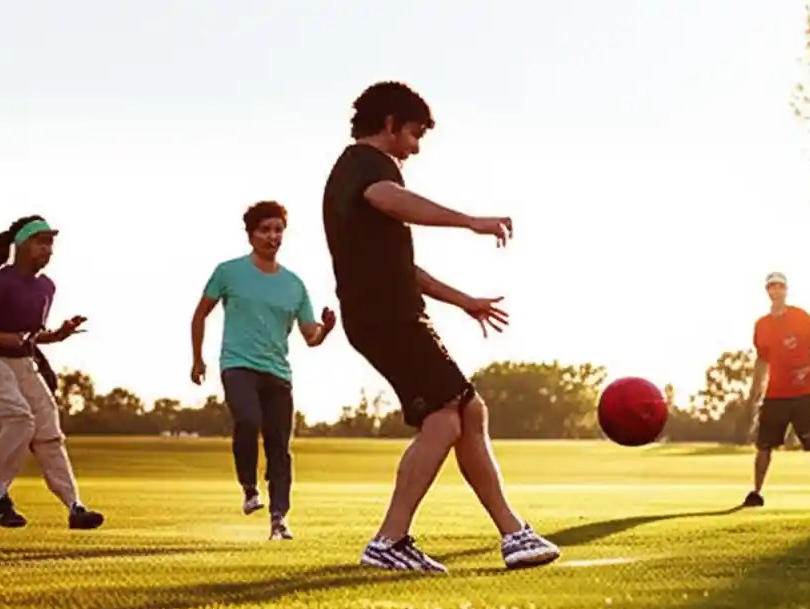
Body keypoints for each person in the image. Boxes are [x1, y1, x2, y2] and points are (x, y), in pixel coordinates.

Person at [320, 80, 561, 572]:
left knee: (463, 413)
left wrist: (464, 302)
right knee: (455, 412)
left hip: (387, 313)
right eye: (413, 134)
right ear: (389, 124)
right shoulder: (369, 167)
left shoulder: (354, 176)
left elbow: (401, 269)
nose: (415, 147)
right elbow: (389, 199)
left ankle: (511, 534)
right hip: (387, 318)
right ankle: (391, 541)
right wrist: (469, 221)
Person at [190, 201, 337, 540]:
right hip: (237, 364)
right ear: (251, 234)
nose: (272, 237)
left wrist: (326, 329)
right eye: (265, 230)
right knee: (248, 419)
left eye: (278, 230)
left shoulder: (294, 285)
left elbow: (309, 336)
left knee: (279, 446)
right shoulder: (228, 272)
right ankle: (248, 486)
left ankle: (279, 519)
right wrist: (198, 359)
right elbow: (200, 316)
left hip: (277, 373)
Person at [0, 215, 103, 529]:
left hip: (22, 364)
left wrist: (56, 335)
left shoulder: (46, 287)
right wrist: (5, 339)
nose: (48, 249)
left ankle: (75, 508)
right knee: (19, 419)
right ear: (22, 246)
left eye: (51, 243)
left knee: (50, 435)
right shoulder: (1, 281)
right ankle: (0, 498)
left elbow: (29, 334)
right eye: (41, 242)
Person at [743, 272, 810, 509]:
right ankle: (756, 493)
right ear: (767, 291)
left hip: (804, 393)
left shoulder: (802, 317)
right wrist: (755, 392)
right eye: (771, 287)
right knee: (764, 445)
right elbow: (762, 360)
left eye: (780, 287)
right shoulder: (761, 325)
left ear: (786, 290)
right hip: (775, 394)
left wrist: (806, 370)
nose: (776, 291)